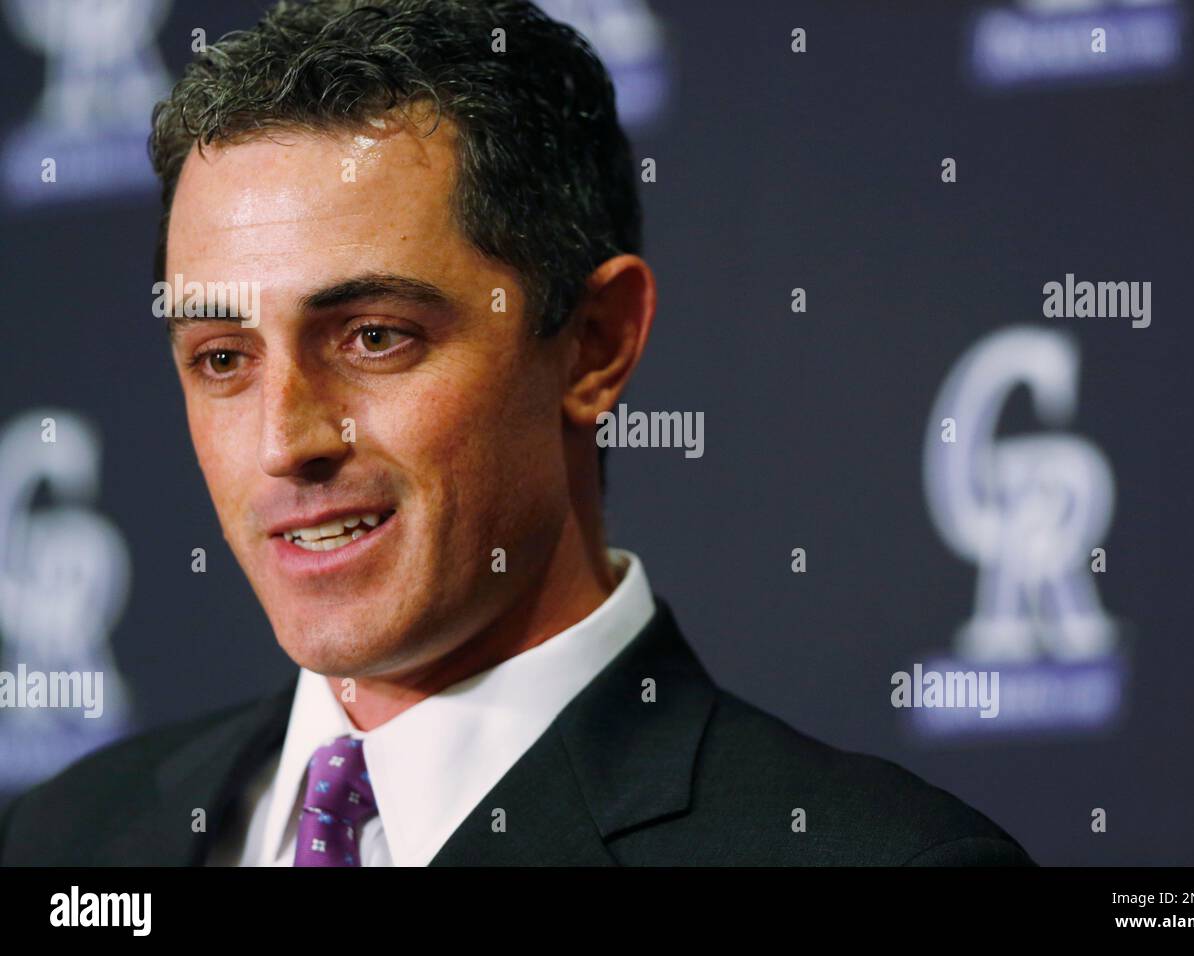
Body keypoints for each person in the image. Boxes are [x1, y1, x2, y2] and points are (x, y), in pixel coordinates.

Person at [0, 0, 1032, 867]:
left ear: (592, 344)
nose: (284, 440)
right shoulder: (66, 840)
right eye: (223, 357)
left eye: (371, 335)